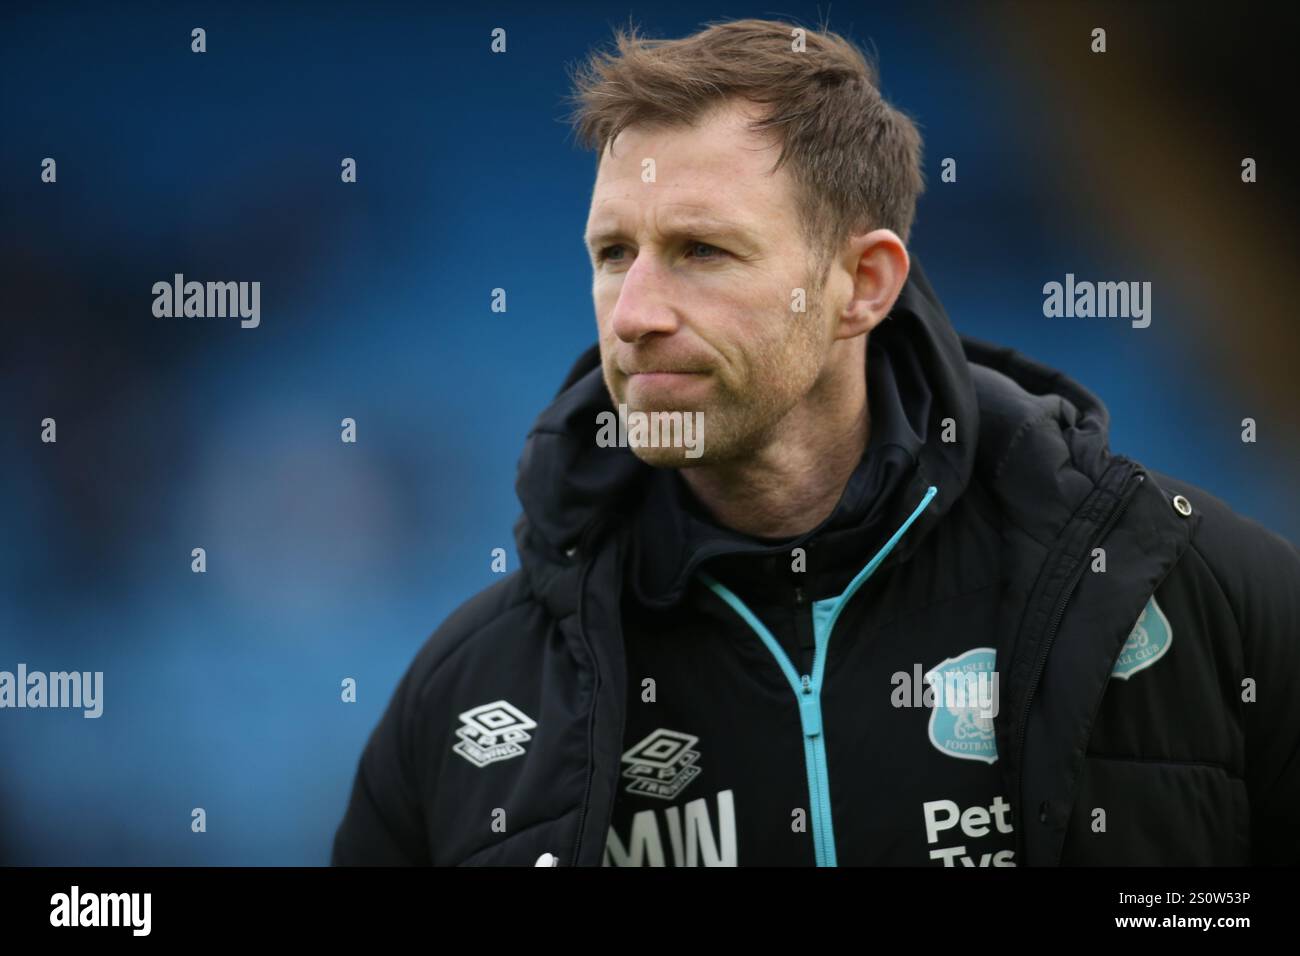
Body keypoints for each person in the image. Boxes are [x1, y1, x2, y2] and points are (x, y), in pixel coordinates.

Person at [331, 18, 1300, 866]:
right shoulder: (463, 702)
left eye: (702, 251)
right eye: (612, 253)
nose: (631, 314)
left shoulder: (1196, 594)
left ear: (864, 284)